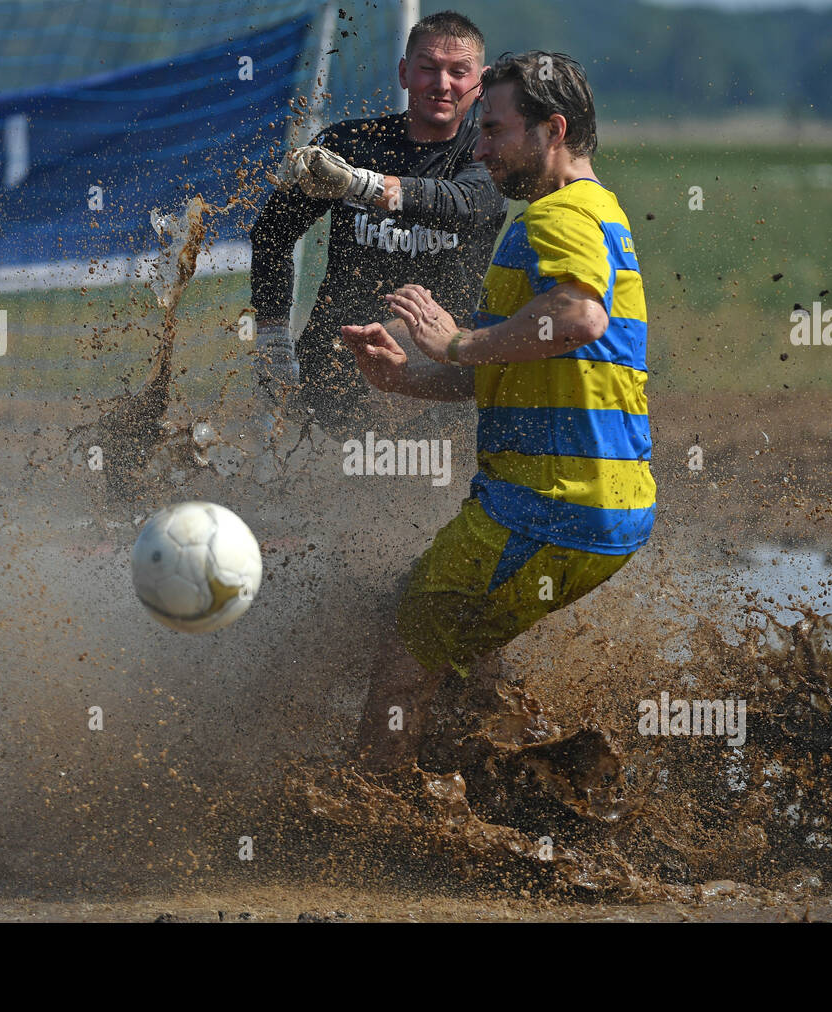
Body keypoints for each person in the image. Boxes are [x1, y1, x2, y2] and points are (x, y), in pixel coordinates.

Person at [340, 51, 657, 770]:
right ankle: (524, 782)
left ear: (554, 130)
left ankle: (362, 825)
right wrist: (412, 377)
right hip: (592, 504)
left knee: (405, 634)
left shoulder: (561, 214)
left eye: (495, 131)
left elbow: (577, 321)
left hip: (548, 504)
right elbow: (534, 358)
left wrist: (454, 342)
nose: (479, 150)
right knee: (457, 645)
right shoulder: (596, 213)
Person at [250, 10, 507, 436]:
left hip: (444, 377)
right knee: (323, 494)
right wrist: (273, 336)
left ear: (480, 83)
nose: (442, 84)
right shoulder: (346, 146)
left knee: (423, 491)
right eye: (428, 68)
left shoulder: (487, 152)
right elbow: (272, 232)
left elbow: (469, 203)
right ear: (405, 73)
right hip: (332, 367)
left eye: (458, 72)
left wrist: (364, 185)